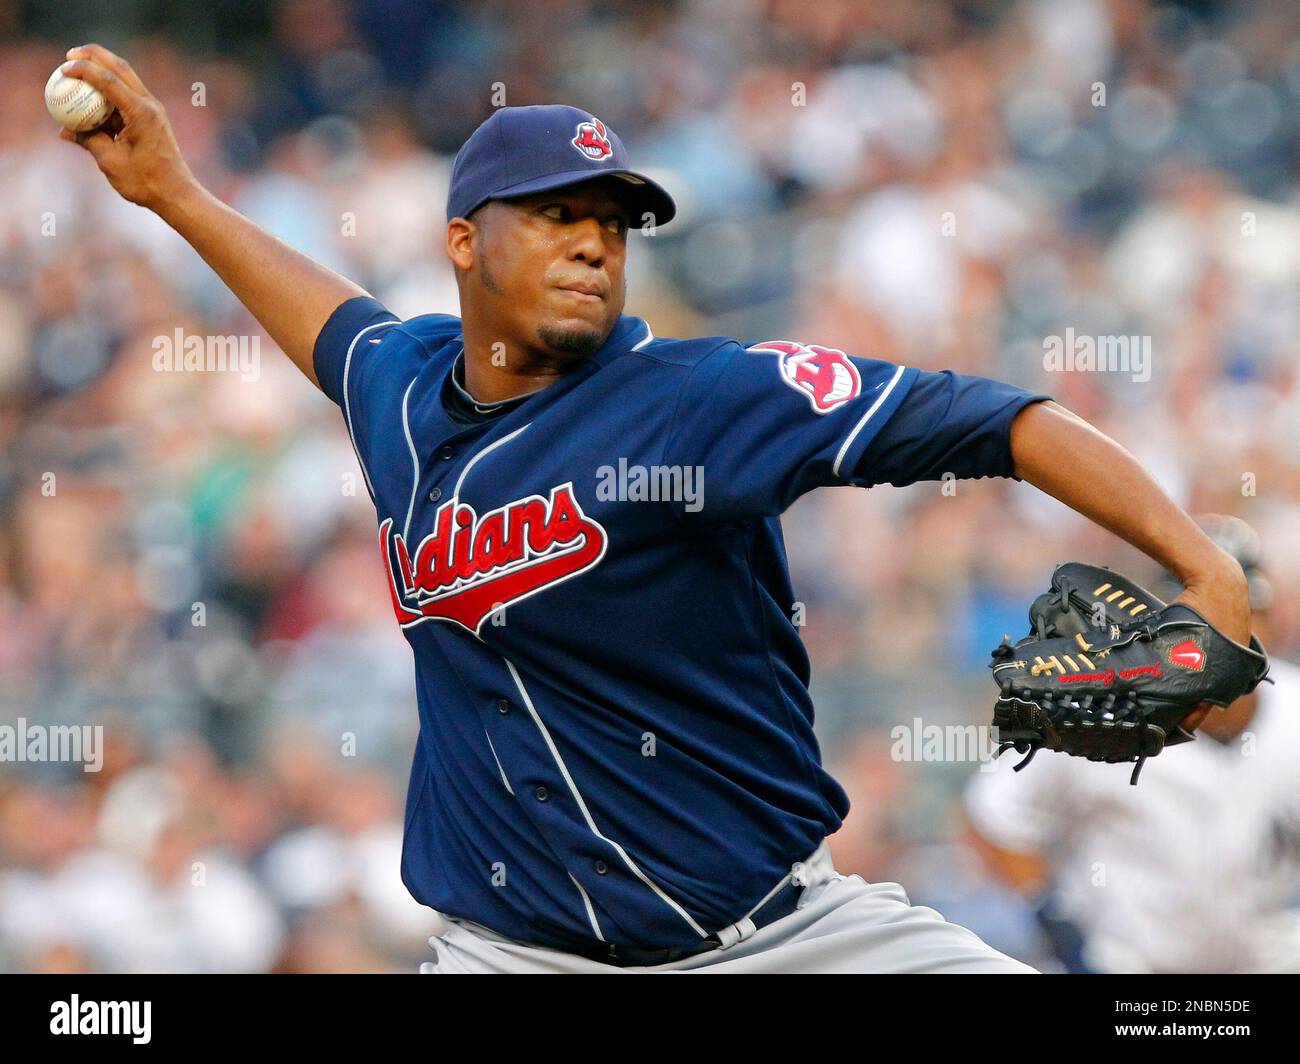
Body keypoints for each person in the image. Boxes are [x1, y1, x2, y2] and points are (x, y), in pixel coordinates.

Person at [59, 44, 1252, 973]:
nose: (593, 245)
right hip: (514, 950)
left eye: (610, 223)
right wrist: (170, 191)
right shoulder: (402, 387)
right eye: (558, 215)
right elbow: (330, 321)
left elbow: (1001, 419)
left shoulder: (701, 400)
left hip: (785, 937)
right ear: (465, 243)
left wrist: (1201, 562)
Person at [965, 516, 1300, 974]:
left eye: (1242, 611)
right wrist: (1061, 929)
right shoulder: (1095, 703)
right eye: (1201, 615)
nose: (1224, 630)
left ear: (1271, 619)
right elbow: (994, 817)